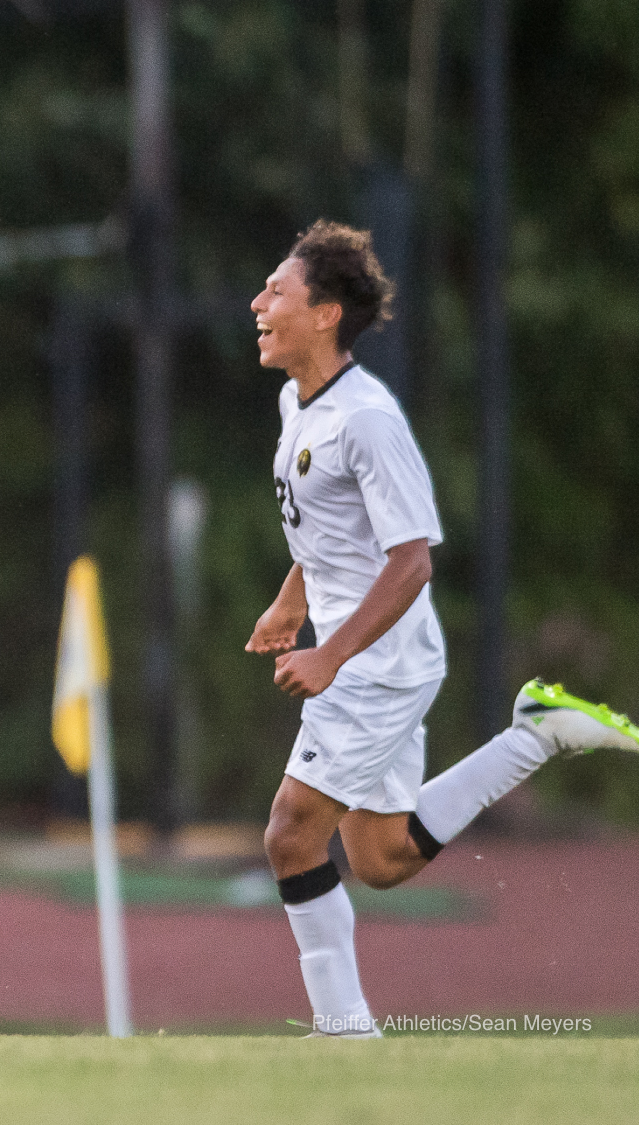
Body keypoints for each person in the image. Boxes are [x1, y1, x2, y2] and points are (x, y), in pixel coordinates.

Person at [246, 219, 639, 1038]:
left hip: (377, 662)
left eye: (276, 291)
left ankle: (344, 1035)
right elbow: (328, 529)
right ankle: (535, 733)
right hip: (369, 655)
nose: (258, 302)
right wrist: (293, 597)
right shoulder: (297, 403)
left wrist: (330, 654)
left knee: (291, 834)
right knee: (382, 859)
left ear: (324, 314)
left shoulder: (368, 420)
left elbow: (412, 559)